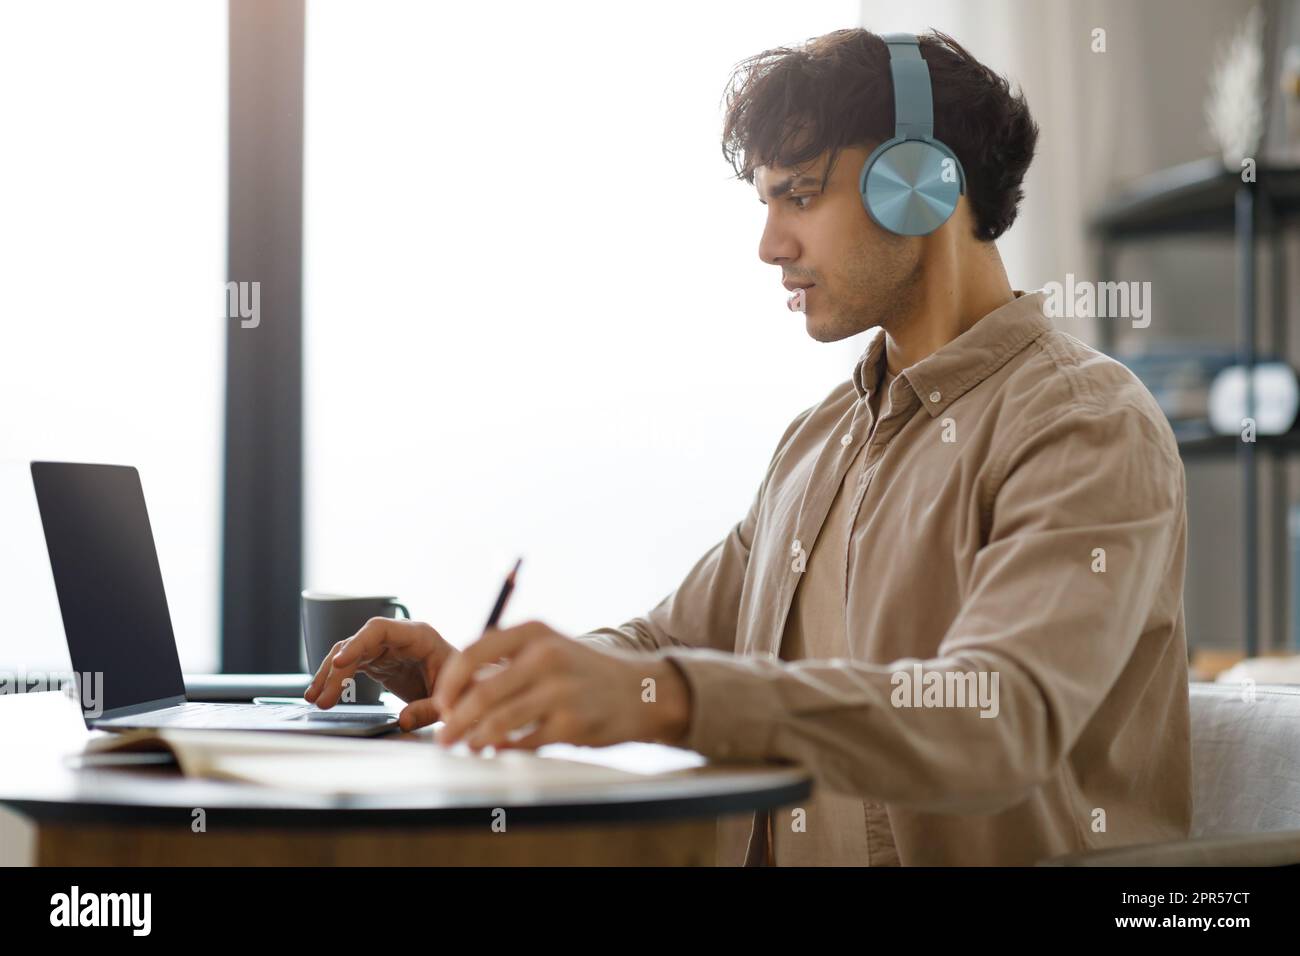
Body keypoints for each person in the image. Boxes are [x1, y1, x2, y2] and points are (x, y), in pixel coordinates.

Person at [306, 27, 1191, 866]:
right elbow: (668, 639)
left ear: (919, 185)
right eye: (766, 202)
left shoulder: (1085, 426)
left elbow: (999, 716)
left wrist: (678, 700)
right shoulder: (818, 440)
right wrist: (499, 679)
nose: (771, 245)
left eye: (800, 196)